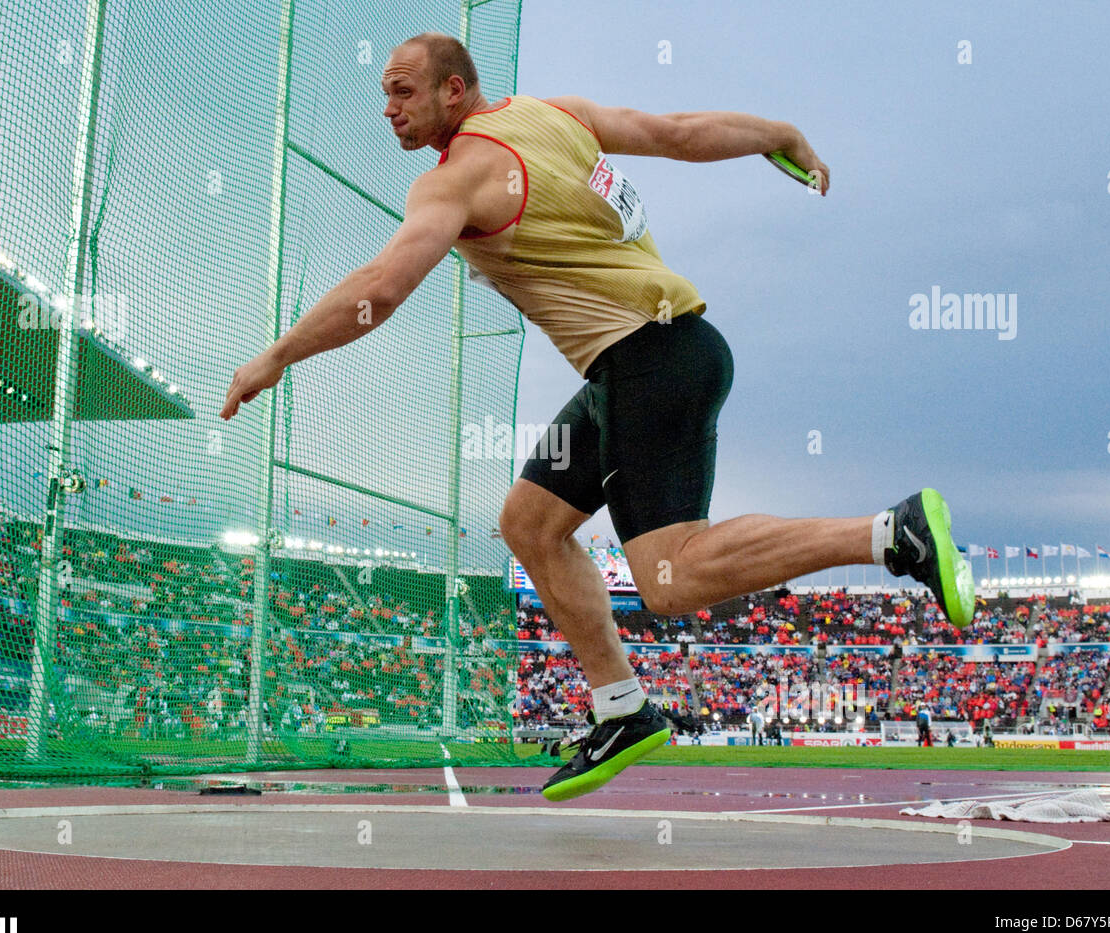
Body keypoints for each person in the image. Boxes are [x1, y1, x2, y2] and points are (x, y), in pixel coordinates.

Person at [218, 32, 976, 802]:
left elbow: (380, 286)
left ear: (455, 90)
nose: (388, 108)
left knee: (671, 578)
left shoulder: (454, 180)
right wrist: (777, 134)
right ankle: (621, 709)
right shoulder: (556, 113)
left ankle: (890, 534)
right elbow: (677, 133)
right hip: (651, 356)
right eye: (386, 92)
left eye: (404, 90)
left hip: (649, 361)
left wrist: (278, 356)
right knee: (531, 523)